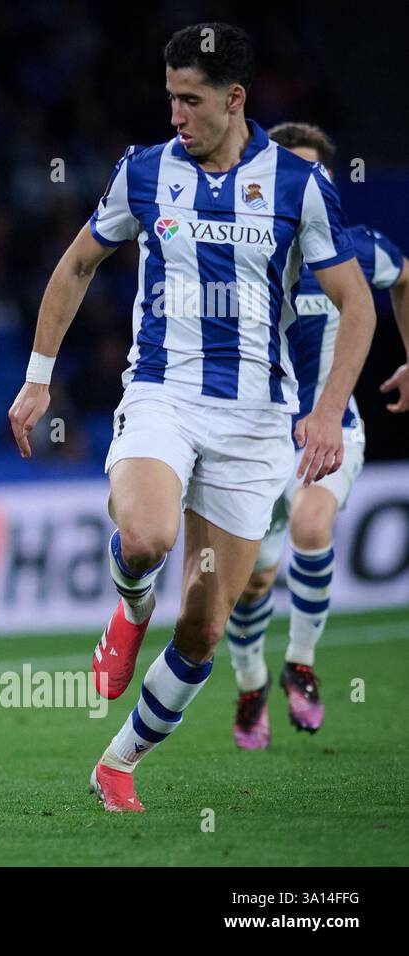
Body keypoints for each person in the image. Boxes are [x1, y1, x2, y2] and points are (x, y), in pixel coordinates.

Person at [7, 23, 375, 811]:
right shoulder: (142, 173)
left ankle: (119, 762)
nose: (175, 113)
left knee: (207, 627)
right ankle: (129, 609)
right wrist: (38, 379)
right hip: (162, 395)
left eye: (191, 99)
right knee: (144, 535)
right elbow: (76, 263)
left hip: (253, 425)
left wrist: (328, 409)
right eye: (169, 97)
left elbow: (358, 302)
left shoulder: (296, 186)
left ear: (234, 99)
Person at [226, 122, 409, 748]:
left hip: (332, 429)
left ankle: (300, 665)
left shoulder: (356, 250)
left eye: (314, 176)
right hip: (252, 438)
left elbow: (405, 277)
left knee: (311, 526)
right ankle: (251, 686)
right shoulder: (242, 256)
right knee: (250, 579)